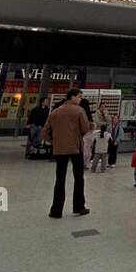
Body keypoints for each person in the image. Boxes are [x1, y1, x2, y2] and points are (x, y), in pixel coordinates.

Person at [44, 89, 92, 218]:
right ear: (72, 97)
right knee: (78, 178)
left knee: (60, 179)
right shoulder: (79, 111)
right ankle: (78, 206)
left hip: (60, 150)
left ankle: (56, 210)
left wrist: (55, 141)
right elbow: (85, 128)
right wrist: (77, 136)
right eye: (79, 97)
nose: (80, 99)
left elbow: (45, 132)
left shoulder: (55, 112)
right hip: (75, 148)